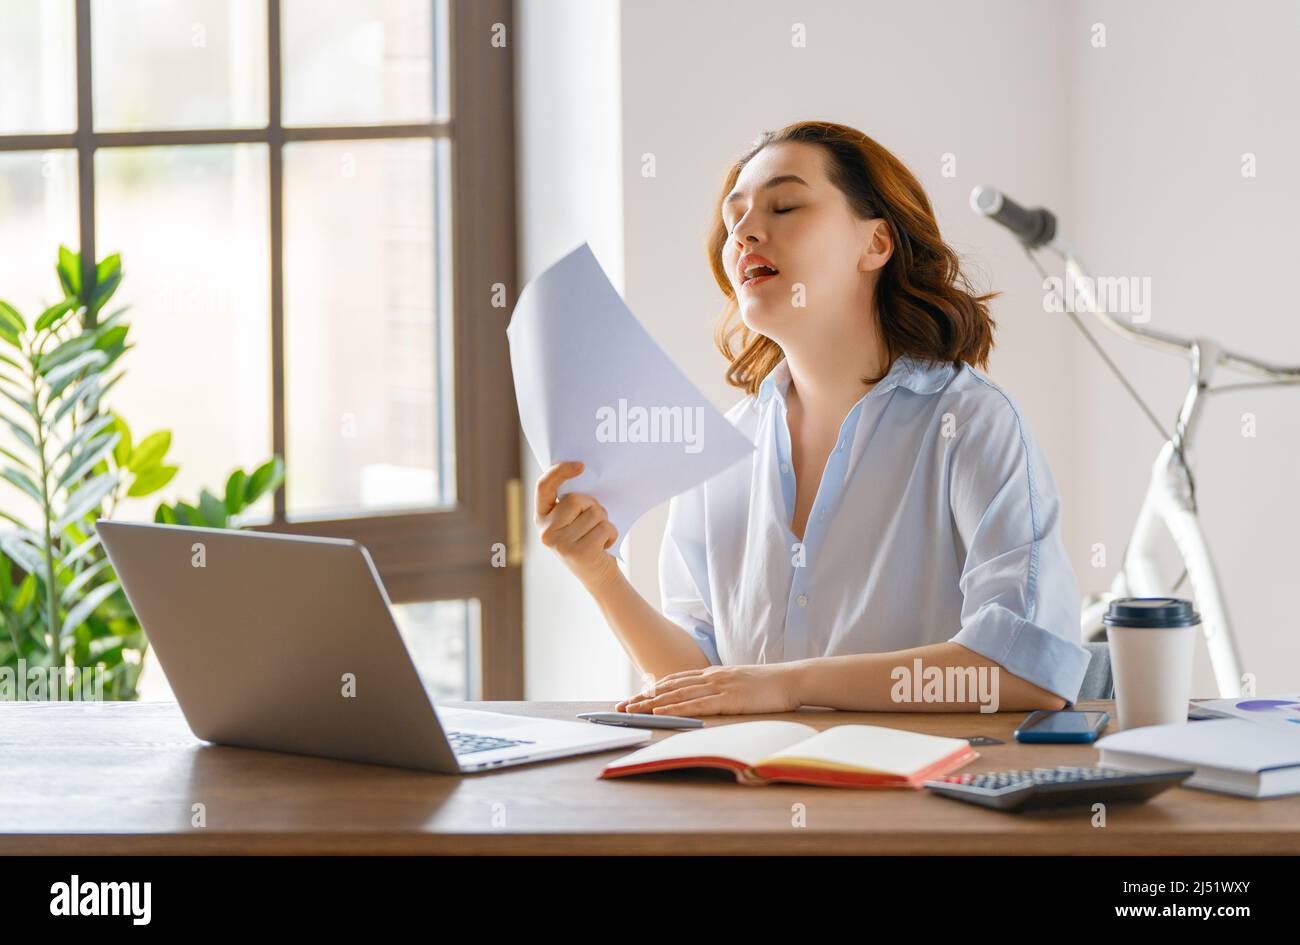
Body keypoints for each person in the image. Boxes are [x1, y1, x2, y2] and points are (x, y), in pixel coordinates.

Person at [534, 120, 1089, 717]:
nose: (745, 231)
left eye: (786, 204)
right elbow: (703, 682)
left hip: (916, 801)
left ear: (875, 244)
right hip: (755, 801)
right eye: (733, 218)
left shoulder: (972, 422)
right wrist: (599, 574)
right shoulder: (722, 451)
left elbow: (1027, 670)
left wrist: (790, 684)